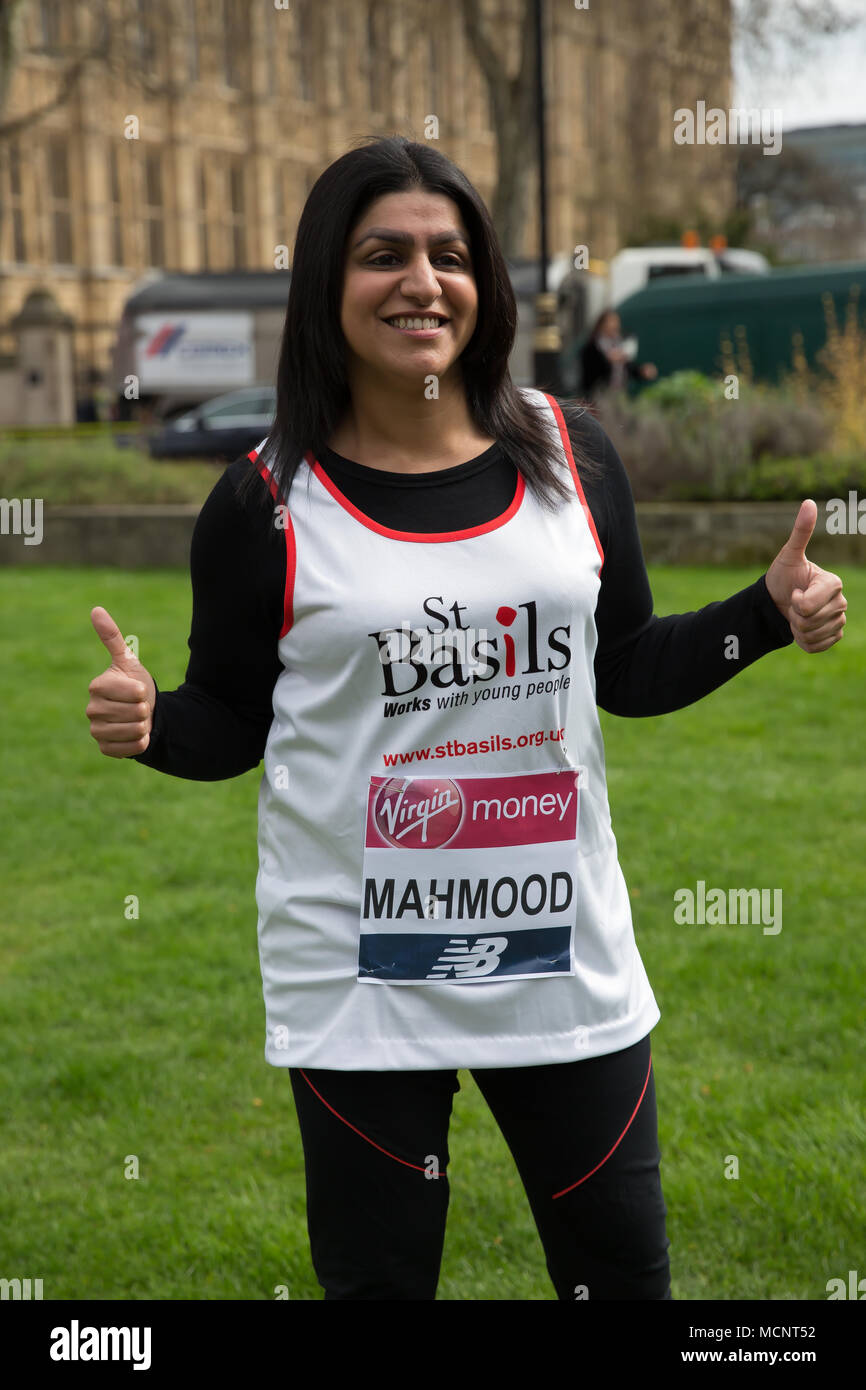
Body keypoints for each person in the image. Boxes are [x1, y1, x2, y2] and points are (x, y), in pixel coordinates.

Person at [85, 136, 847, 1302]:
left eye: (448, 254)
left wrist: (760, 613)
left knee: (622, 1280)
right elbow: (231, 722)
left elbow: (627, 665)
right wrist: (150, 725)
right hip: (359, 982)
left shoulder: (569, 452)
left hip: (564, 961)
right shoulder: (263, 502)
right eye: (380, 254)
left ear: (483, 281)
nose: (420, 281)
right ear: (324, 287)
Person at [580, 308, 658, 400]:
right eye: (611, 322)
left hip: (620, 392)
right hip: (600, 395)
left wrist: (641, 371)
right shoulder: (593, 346)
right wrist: (607, 359)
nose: (615, 325)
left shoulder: (620, 344)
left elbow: (628, 367)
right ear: (602, 324)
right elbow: (589, 373)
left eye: (616, 321)